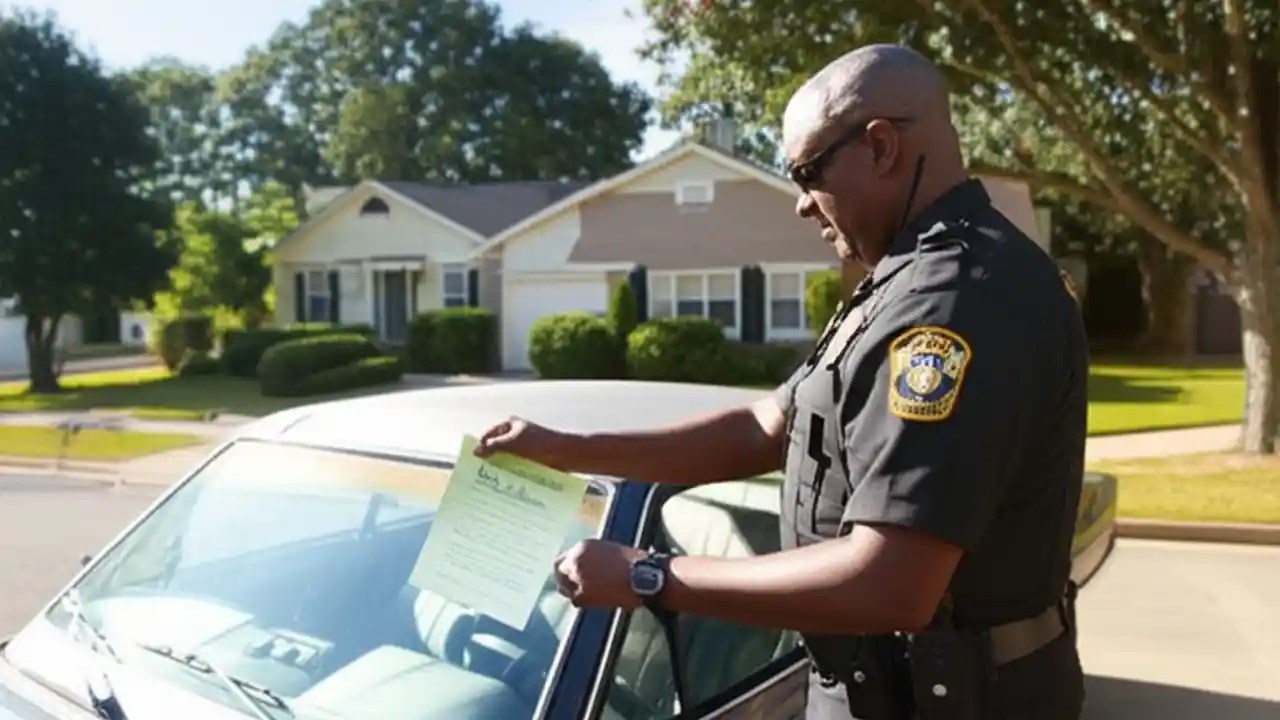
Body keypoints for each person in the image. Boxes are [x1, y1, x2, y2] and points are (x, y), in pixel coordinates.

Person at [475, 43, 1088, 720]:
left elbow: (891, 583)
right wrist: (567, 449)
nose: (800, 204)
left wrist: (648, 576)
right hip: (881, 687)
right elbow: (767, 426)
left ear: (880, 146)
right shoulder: (901, 282)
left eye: (806, 172)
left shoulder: (957, 299)